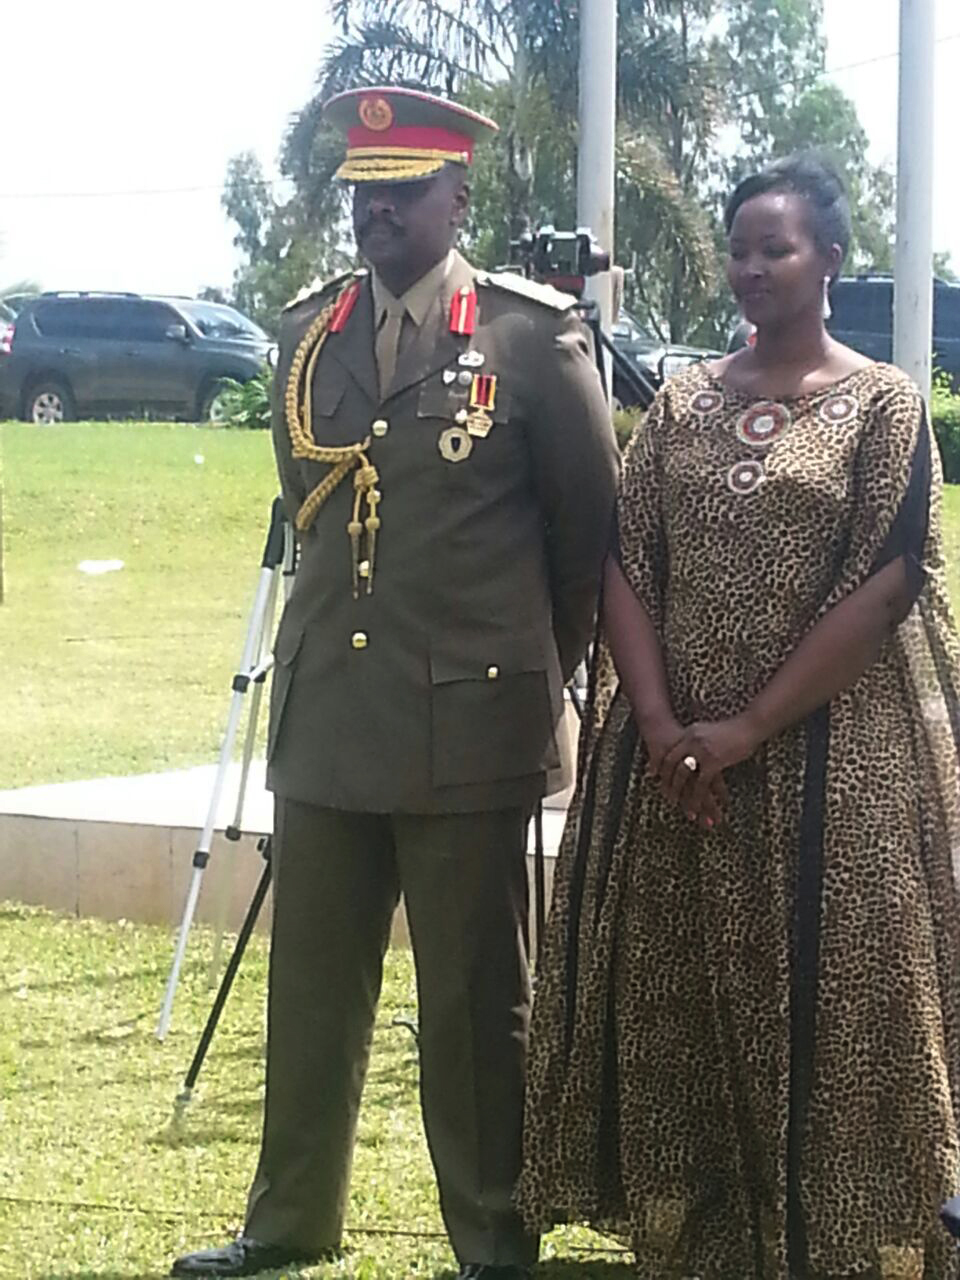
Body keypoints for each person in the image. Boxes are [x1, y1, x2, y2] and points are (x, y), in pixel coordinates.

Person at [172, 86, 618, 1279]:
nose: (378, 214)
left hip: (471, 723)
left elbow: (587, 542)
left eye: (405, 192)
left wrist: (535, 683)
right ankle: (287, 1221)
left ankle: (490, 1234)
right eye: (365, 194)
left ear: (459, 196)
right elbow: (313, 510)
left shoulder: (532, 338)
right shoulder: (309, 333)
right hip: (329, 719)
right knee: (313, 992)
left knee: (476, 1006)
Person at [517, 153, 960, 1279]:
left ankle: (845, 1239)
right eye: (741, 247)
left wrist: (751, 726)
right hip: (675, 776)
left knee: (843, 1002)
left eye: (780, 247)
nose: (754, 267)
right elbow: (627, 560)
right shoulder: (679, 401)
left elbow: (889, 579)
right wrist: (663, 724)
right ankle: (708, 1235)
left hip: (835, 768)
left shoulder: (884, 407)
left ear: (830, 260)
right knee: (682, 996)